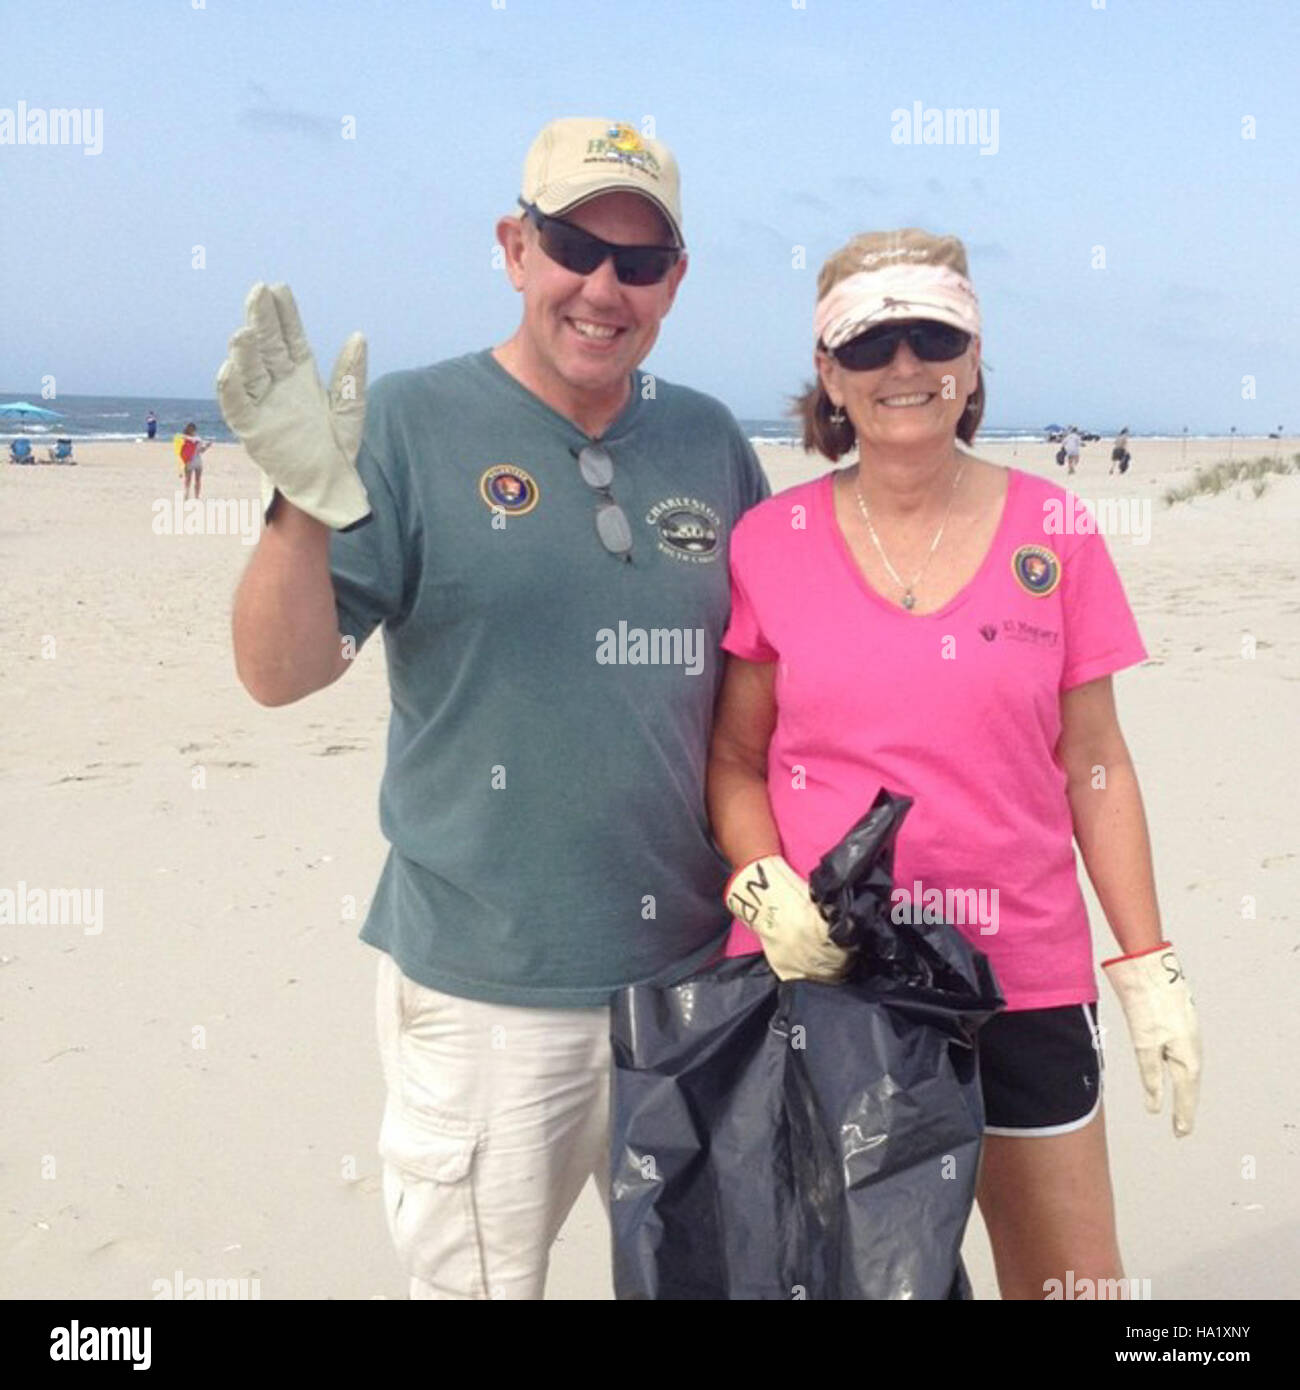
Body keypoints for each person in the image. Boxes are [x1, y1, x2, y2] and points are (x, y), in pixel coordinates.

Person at [217, 117, 768, 1300]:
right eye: (574, 243)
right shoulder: (411, 424)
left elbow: (766, 687)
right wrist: (299, 505)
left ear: (676, 281)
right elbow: (279, 673)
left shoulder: (710, 438)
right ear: (515, 246)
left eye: (640, 261)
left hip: (688, 979)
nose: (602, 286)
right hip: (489, 991)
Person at [706, 228, 1201, 1300]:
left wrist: (1147, 963)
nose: (904, 366)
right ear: (829, 375)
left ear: (973, 360)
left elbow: (1095, 762)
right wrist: (763, 882)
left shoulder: (1054, 530)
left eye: (932, 335)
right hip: (836, 982)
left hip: (1022, 978)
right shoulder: (768, 540)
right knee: (858, 1283)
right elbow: (735, 760)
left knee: (1075, 1285)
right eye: (869, 342)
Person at [179, 422, 210, 499]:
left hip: (189, 461)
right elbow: (201, 451)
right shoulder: (198, 439)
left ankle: (187, 494)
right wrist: (207, 446)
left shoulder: (184, 438)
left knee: (188, 479)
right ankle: (197, 496)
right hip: (197, 461)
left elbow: (180, 449)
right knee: (197, 480)